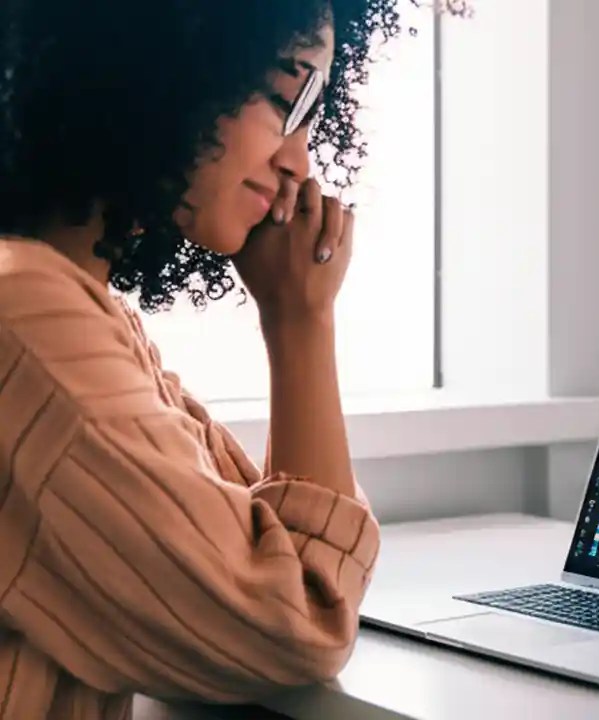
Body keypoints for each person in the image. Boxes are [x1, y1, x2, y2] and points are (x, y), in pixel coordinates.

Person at [0, 1, 448, 717]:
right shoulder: (31, 323)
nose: (299, 160)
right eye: (283, 97)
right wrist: (301, 321)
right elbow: (298, 621)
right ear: (164, 67)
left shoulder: (73, 309)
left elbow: (252, 534)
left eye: (313, 115)